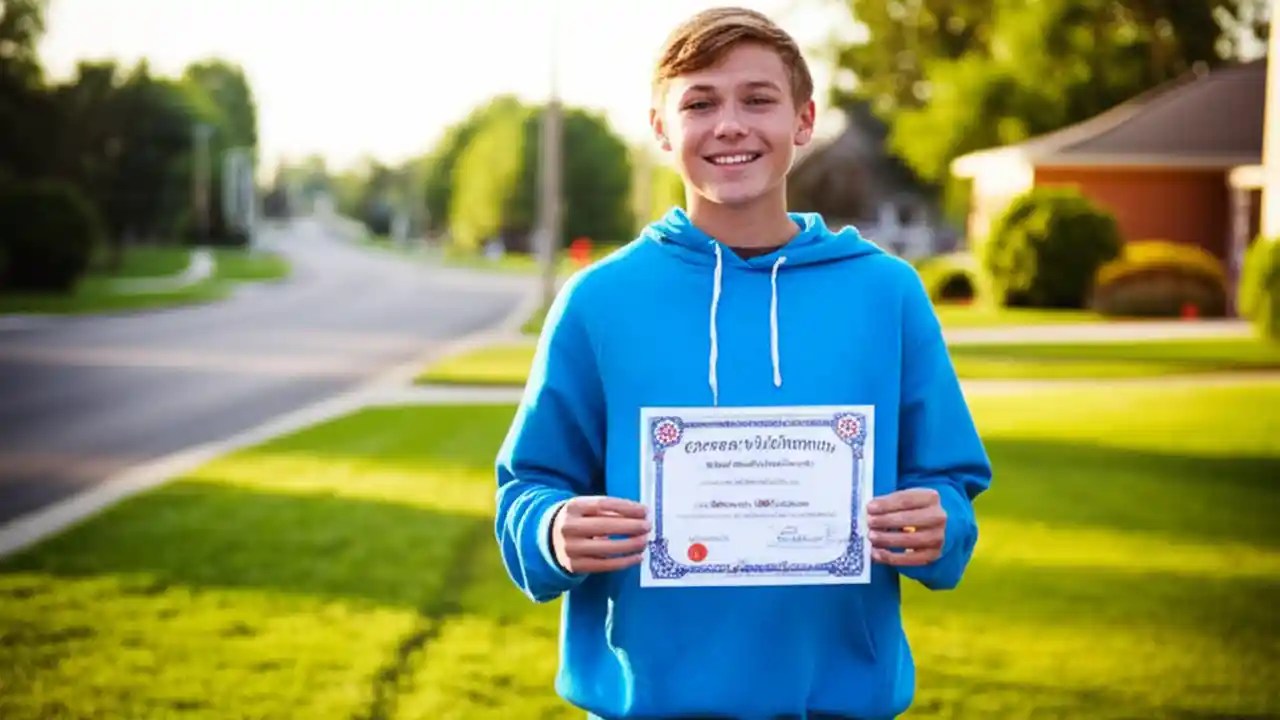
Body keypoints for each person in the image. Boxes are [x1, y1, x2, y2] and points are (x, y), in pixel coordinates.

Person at [494, 6, 992, 719]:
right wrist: (552, 530)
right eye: (699, 102)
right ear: (662, 129)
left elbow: (948, 481)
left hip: (838, 702)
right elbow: (527, 488)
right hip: (651, 705)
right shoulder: (598, 301)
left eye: (758, 99)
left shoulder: (886, 293)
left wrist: (938, 520)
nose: (730, 124)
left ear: (804, 120)